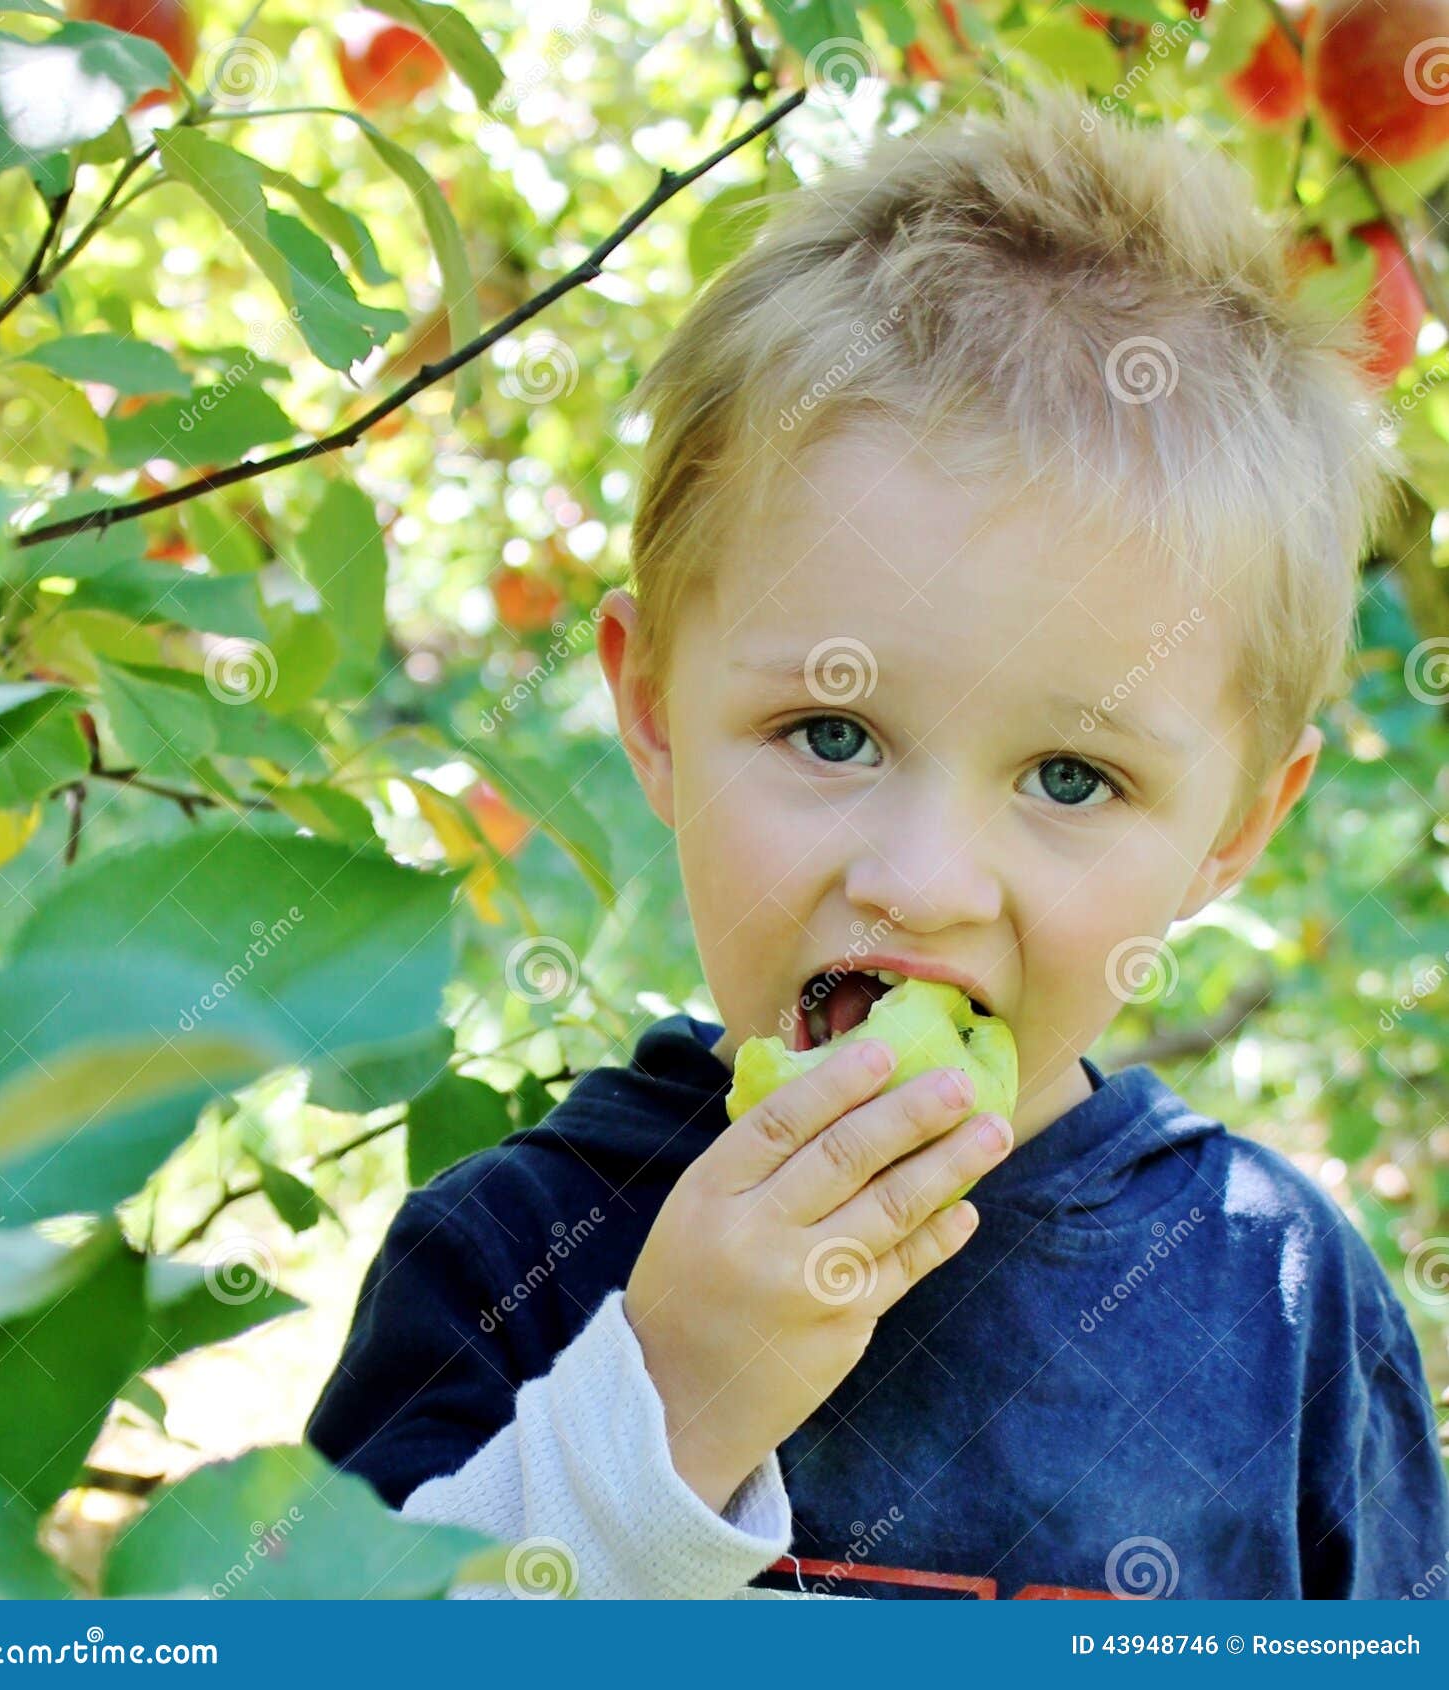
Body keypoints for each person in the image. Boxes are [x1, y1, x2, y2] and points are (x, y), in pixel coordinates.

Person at [306, 82, 1449, 1599]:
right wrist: (663, 1415)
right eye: (832, 734)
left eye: (1070, 774)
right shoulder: (512, 1253)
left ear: (1238, 826)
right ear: (651, 710)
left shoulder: (1279, 1305)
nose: (920, 879)